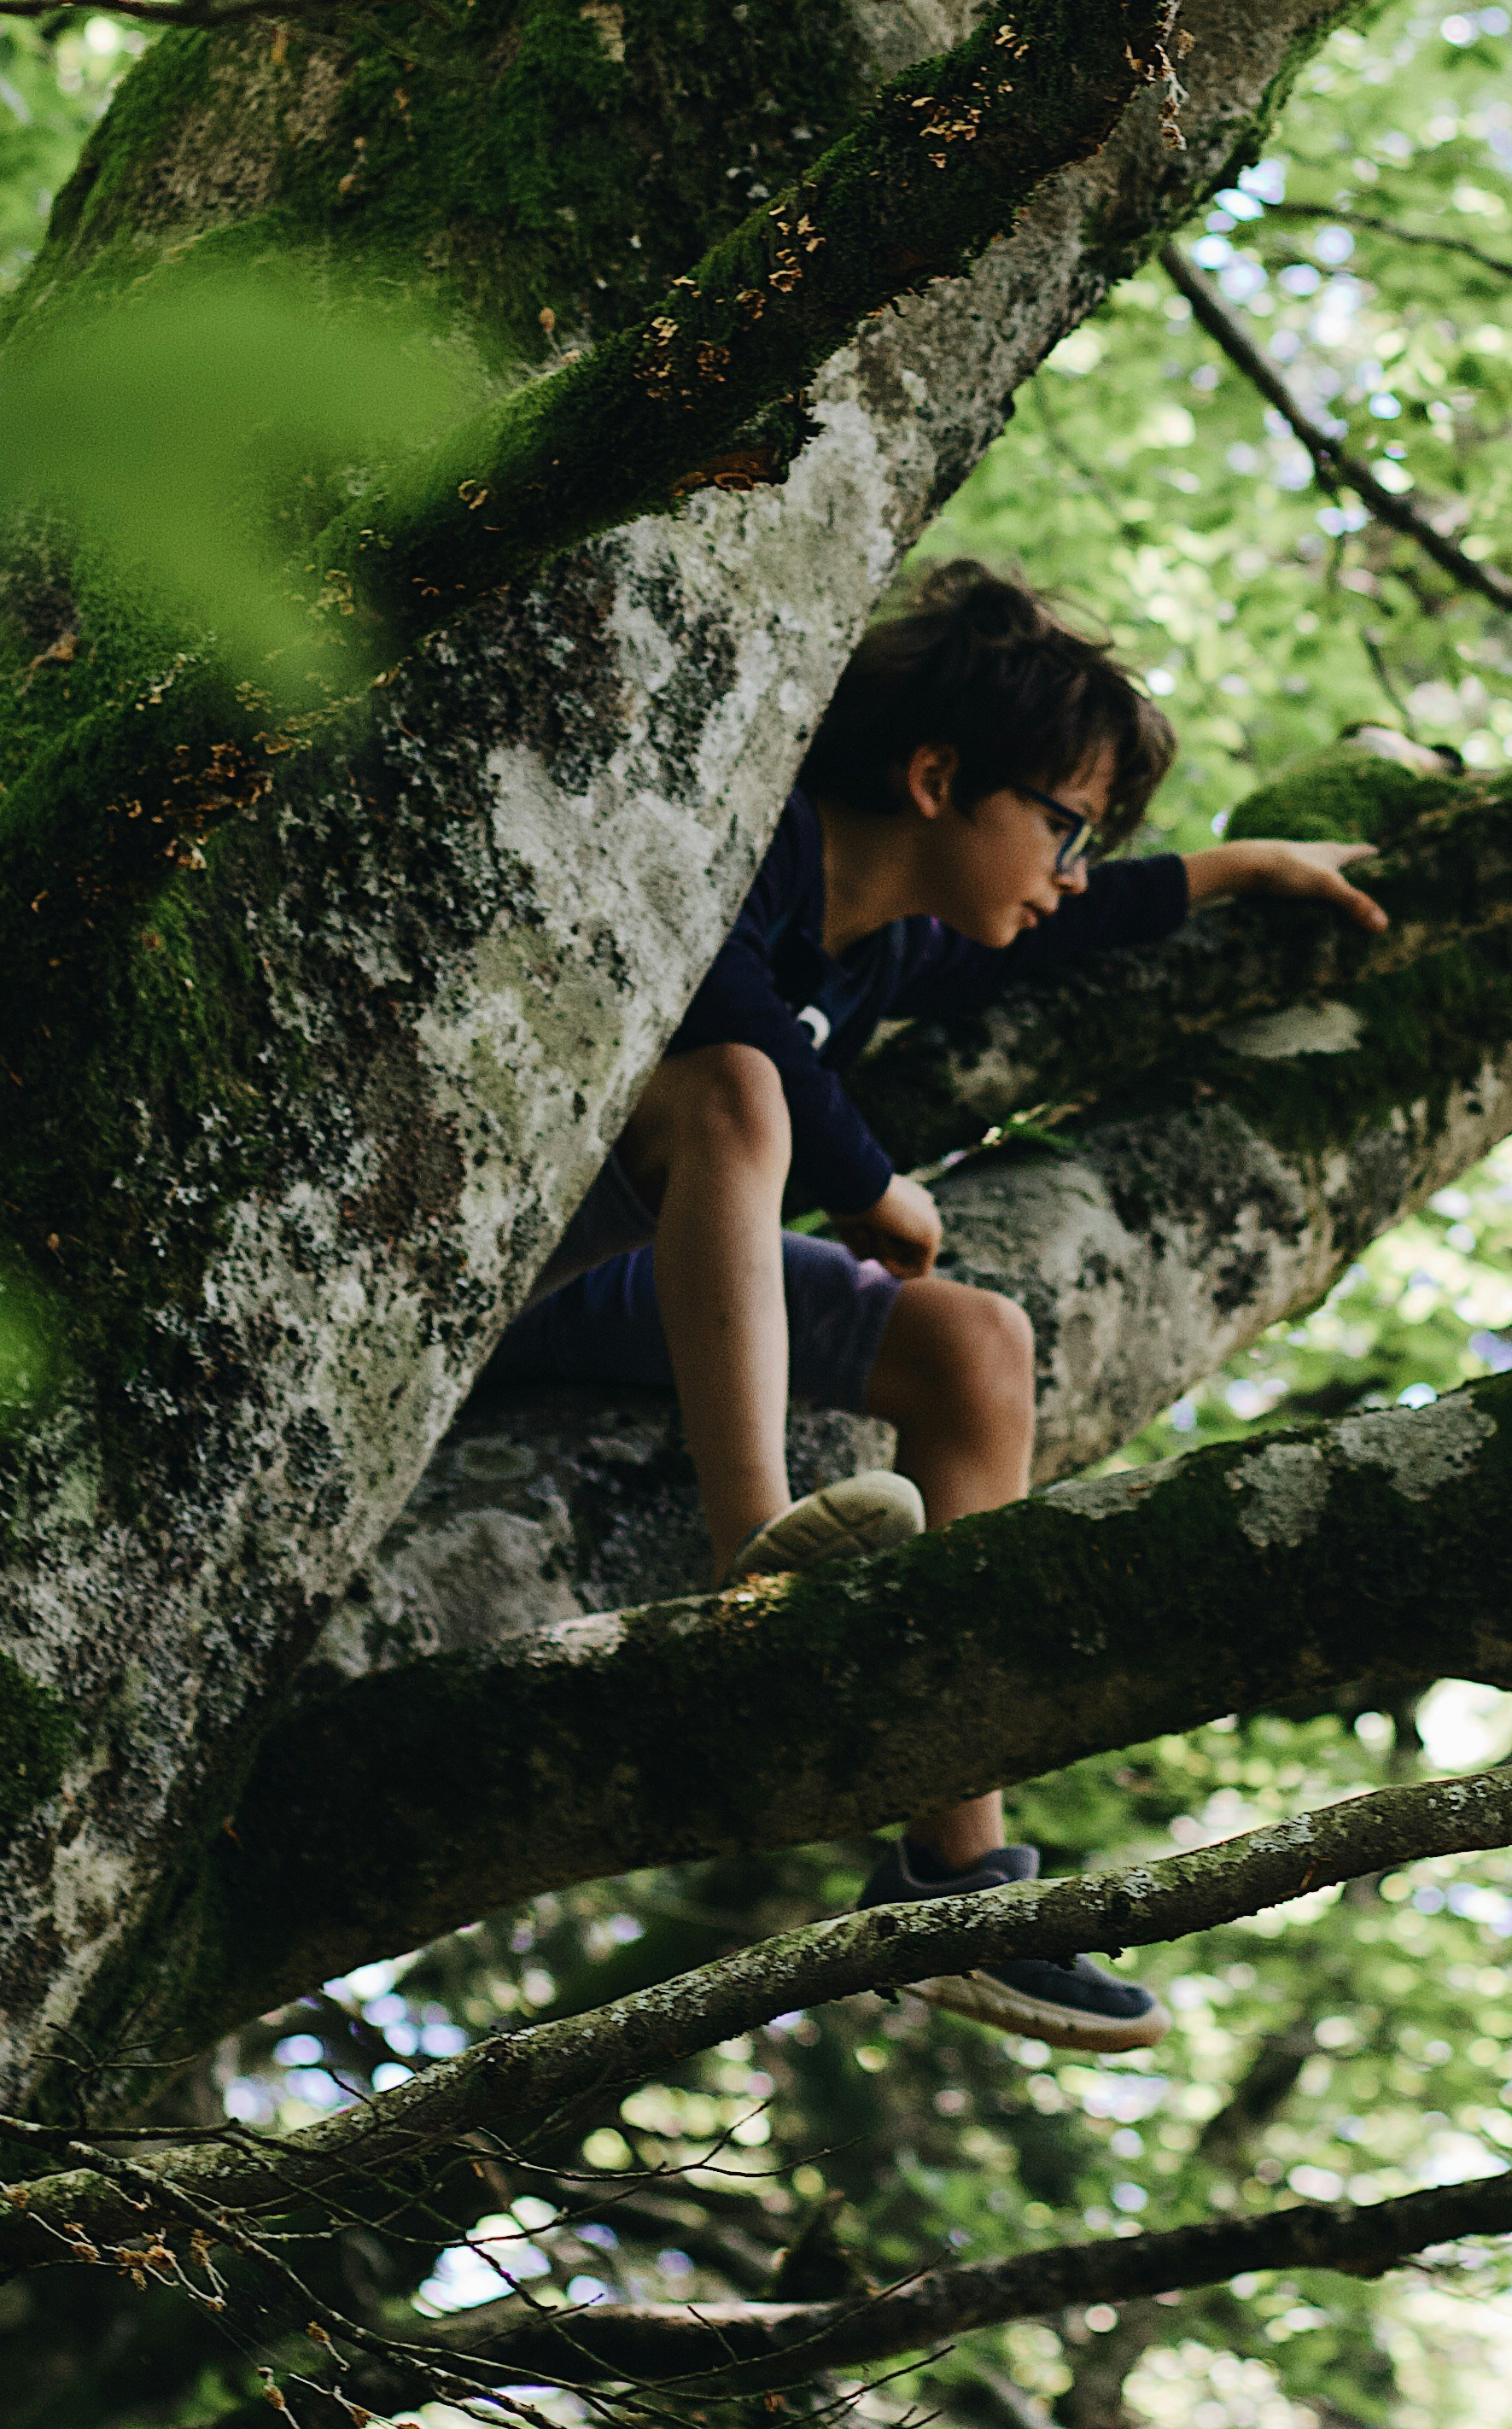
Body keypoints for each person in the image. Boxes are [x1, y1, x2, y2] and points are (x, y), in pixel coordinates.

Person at [483, 559, 1384, 2052]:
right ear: (934, 777)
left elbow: (1083, 924)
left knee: (979, 1341)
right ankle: (752, 1576)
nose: (1074, 869)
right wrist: (866, 1179)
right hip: (500, 1255)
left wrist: (1240, 869)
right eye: (1065, 823)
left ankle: (961, 1887)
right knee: (742, 1084)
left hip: (607, 1285)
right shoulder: (757, 841)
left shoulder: (900, 943)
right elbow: (714, 996)